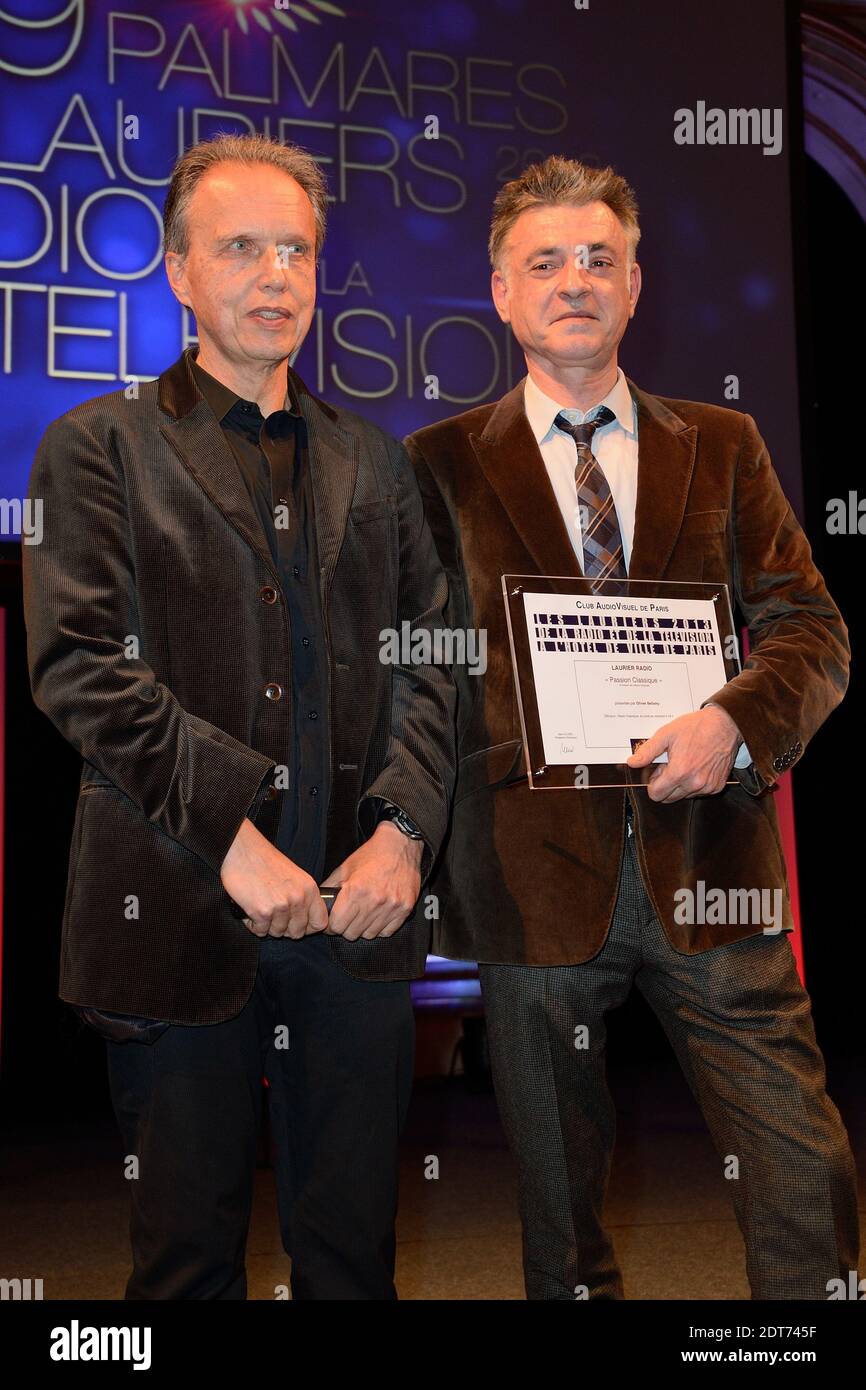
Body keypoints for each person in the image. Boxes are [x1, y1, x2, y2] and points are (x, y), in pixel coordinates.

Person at [406, 155, 858, 1300]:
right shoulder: (435, 465)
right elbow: (411, 673)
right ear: (500, 291)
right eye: (544, 262)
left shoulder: (725, 440)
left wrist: (732, 719)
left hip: (713, 867)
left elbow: (812, 629)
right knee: (556, 1212)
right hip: (526, 878)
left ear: (636, 283)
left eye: (598, 259)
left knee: (798, 1164)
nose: (574, 281)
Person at [22, 133, 455, 1300]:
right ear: (176, 270)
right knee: (183, 1268)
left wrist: (405, 829)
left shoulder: (378, 460)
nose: (274, 275)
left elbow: (435, 662)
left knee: (352, 1263)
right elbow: (80, 667)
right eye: (240, 248)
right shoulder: (96, 447)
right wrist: (231, 836)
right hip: (171, 909)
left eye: (296, 250)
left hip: (357, 920)